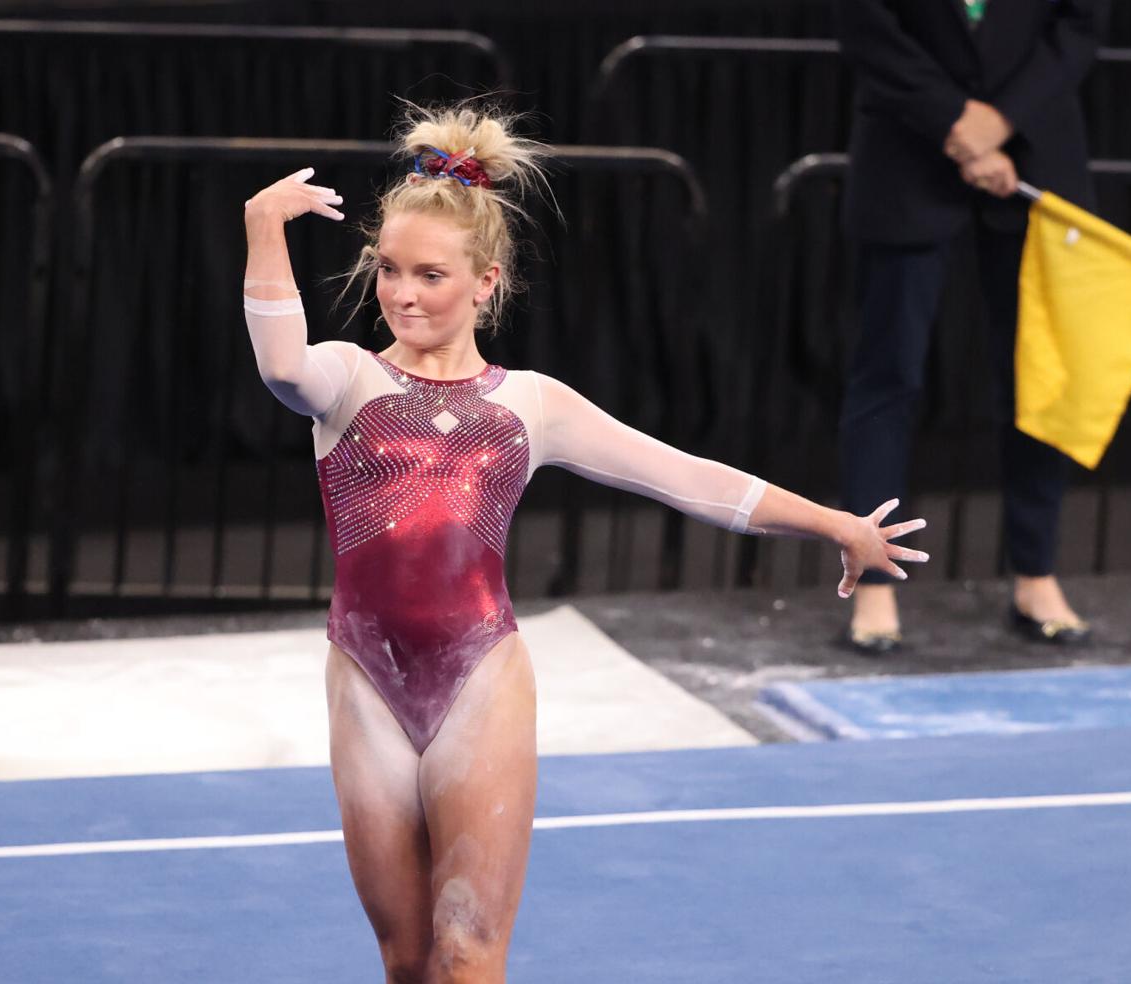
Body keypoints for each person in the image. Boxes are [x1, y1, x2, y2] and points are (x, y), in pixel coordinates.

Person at [241, 102, 927, 983]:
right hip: (367, 681)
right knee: (408, 958)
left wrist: (834, 523)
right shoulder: (350, 380)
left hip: (479, 677)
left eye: (431, 275)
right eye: (389, 271)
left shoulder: (530, 403)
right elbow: (281, 366)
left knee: (468, 953)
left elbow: (685, 476)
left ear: (487, 281)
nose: (404, 294)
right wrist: (264, 230)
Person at [836, 0, 1107, 652]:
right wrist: (956, 125)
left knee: (1038, 377)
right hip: (908, 150)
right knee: (889, 374)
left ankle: (1036, 572)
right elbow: (868, 26)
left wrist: (1000, 120)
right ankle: (872, 580)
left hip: (1036, 152)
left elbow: (1078, 26)